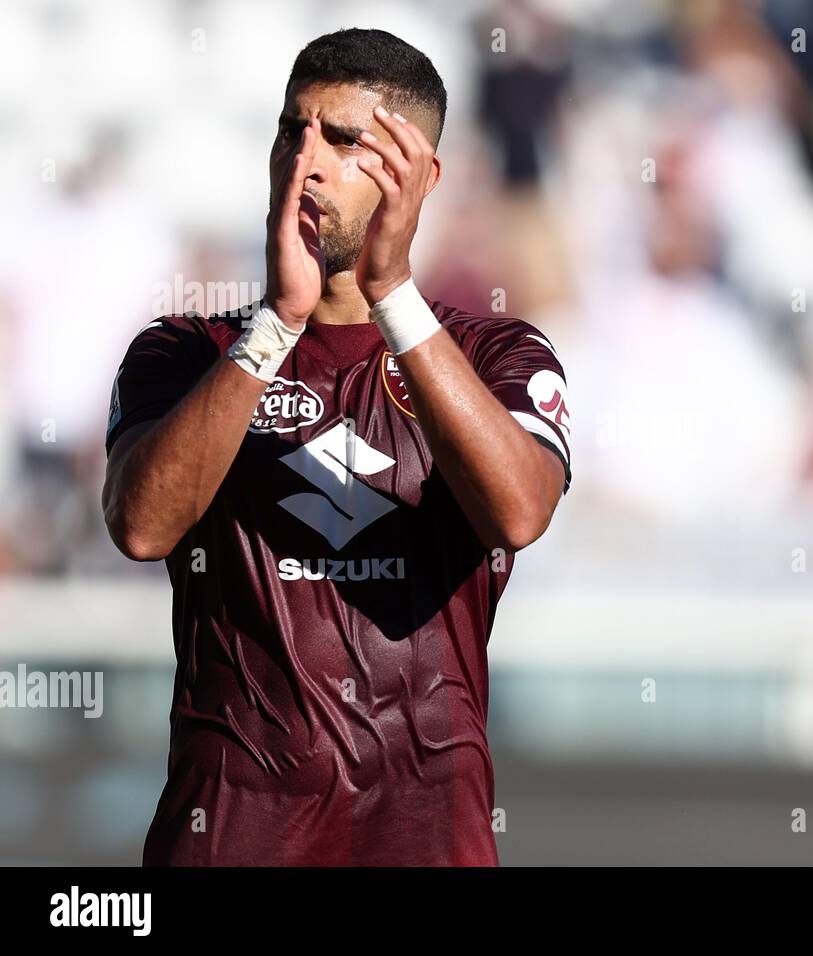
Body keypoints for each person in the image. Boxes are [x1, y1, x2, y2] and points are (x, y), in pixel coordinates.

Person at [100, 28, 571, 866]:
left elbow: (519, 511)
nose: (305, 162)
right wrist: (276, 326)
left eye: (345, 140)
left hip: (427, 834)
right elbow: (142, 526)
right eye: (292, 130)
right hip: (233, 834)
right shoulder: (185, 352)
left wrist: (392, 294)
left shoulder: (500, 357)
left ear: (422, 177)